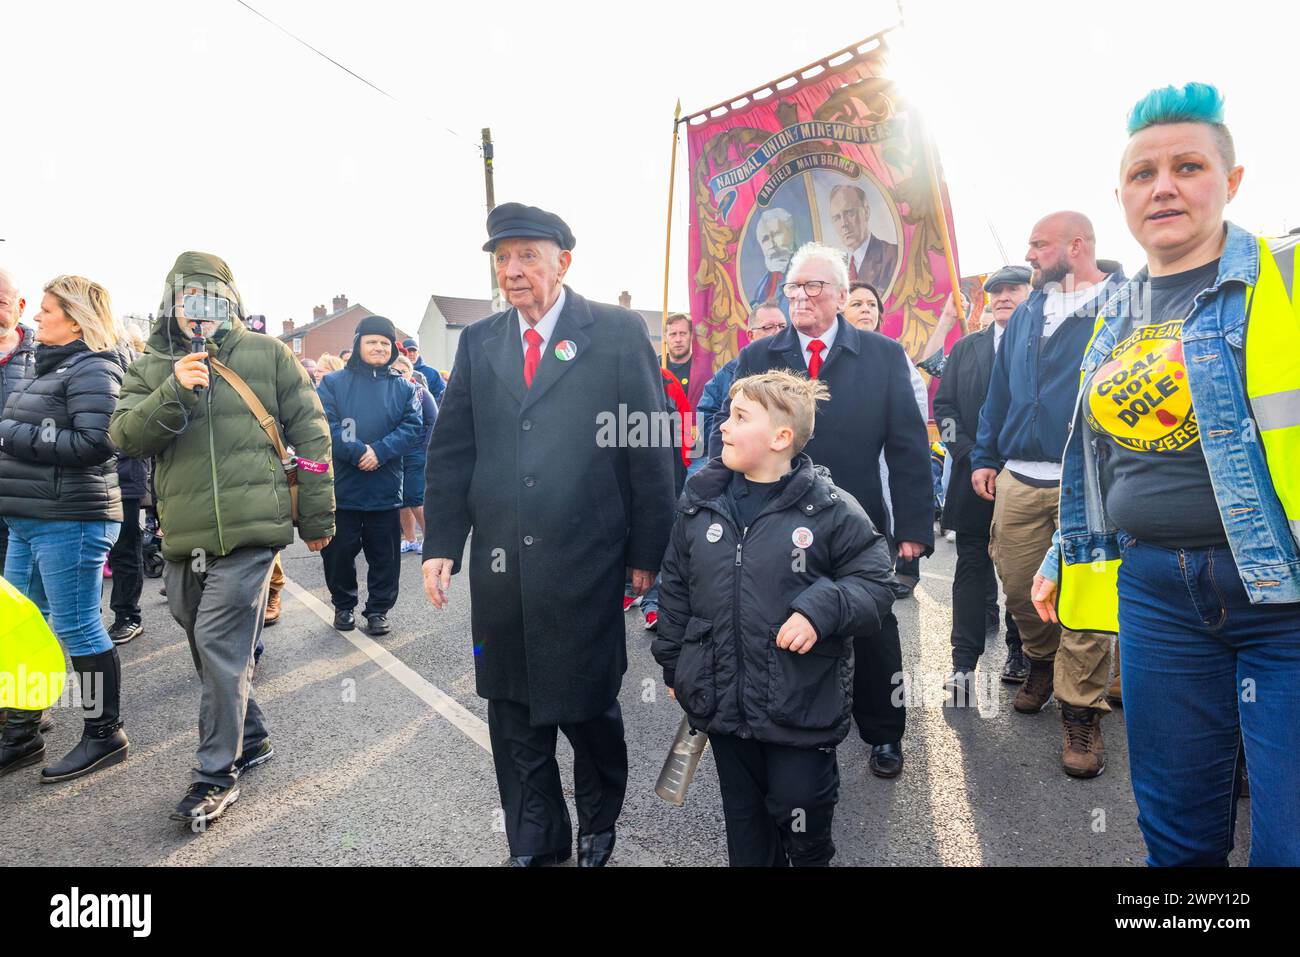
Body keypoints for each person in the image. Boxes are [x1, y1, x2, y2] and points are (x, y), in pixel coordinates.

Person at [1033, 83, 1300, 864]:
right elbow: (1105, 454)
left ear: (1234, 181)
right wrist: (1063, 549)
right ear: (1120, 195)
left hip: (1281, 596)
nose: (1164, 186)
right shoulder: (1116, 309)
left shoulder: (1285, 276)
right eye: (1143, 173)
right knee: (1177, 837)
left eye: (1188, 165)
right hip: (1157, 596)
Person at [422, 202, 675, 866]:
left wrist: (649, 552)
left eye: (527, 255)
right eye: (502, 258)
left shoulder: (617, 333)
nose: (512, 270)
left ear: (564, 261)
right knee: (511, 712)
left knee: (588, 707)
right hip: (501, 569)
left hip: (587, 559)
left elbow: (649, 448)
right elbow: (452, 450)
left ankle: (598, 819)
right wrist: (444, 543)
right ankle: (536, 841)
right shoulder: (480, 342)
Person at [110, 251, 335, 826]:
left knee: (218, 643)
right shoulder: (153, 364)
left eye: (210, 299)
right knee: (198, 635)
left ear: (230, 303)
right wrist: (174, 392)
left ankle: (215, 773)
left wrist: (316, 518)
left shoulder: (269, 355)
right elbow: (126, 437)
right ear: (173, 306)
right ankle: (252, 734)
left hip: (253, 529)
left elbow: (311, 435)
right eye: (187, 300)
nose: (198, 312)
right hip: (185, 536)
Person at [709, 242, 933, 780]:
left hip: (858, 519)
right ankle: (792, 730)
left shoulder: (880, 355)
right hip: (775, 521)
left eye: (814, 286)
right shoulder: (758, 357)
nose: (801, 297)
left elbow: (907, 443)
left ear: (840, 291)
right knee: (785, 623)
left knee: (873, 625)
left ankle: (883, 733)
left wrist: (914, 525)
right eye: (793, 287)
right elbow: (731, 431)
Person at [654, 370, 894, 866]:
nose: (722, 425)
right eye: (727, 414)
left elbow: (876, 583)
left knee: (799, 804)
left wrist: (820, 610)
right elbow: (676, 587)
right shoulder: (701, 504)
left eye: (740, 417)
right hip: (722, 700)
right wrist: (674, 663)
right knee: (745, 824)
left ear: (781, 438)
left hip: (799, 702)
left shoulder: (828, 509)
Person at [970, 213, 1127, 779]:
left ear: (1077, 246)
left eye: (1039, 245)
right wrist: (985, 455)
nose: (1030, 255)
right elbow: (1000, 390)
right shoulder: (1029, 310)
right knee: (1017, 586)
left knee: (1085, 598)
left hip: (1090, 478)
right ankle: (1039, 659)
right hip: (1018, 474)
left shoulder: (1127, 304)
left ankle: (1081, 712)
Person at [0, 275, 128, 781]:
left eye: (47, 311)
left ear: (76, 318)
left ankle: (104, 733)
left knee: (77, 626)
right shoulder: (45, 365)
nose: (36, 318)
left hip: (71, 519)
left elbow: (97, 442)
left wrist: (10, 434)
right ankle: (21, 733)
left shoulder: (95, 367)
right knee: (21, 626)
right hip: (29, 518)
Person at [933, 266, 1030, 695]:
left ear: (1032, 293)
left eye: (1014, 289)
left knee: (1020, 573)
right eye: (997, 291)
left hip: (1027, 477)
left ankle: (1021, 649)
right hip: (972, 480)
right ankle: (963, 663)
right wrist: (966, 454)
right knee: (971, 569)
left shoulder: (1042, 345)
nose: (1004, 296)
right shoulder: (966, 348)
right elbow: (945, 408)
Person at [316, 316, 423, 636]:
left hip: (385, 487)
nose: (378, 347)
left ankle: (378, 610)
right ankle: (343, 605)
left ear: (391, 349)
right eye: (371, 341)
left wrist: (379, 451)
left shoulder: (403, 387)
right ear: (358, 343)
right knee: (338, 553)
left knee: (384, 556)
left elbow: (412, 427)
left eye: (384, 343)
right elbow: (325, 425)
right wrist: (358, 451)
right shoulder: (333, 383)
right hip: (344, 487)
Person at [692, 300, 787, 474]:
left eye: (783, 326)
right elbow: (705, 418)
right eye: (769, 327)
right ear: (750, 335)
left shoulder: (797, 368)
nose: (778, 332)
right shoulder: (727, 374)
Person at [0, 268, 35, 574]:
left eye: (0, 303)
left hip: (30, 498)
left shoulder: (46, 354)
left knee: (27, 595)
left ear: (20, 306)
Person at [391, 353, 437, 553]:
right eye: (395, 371)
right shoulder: (388, 393)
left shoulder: (421, 392)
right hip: (395, 453)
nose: (399, 374)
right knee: (401, 500)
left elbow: (433, 421)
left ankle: (432, 540)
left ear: (411, 372)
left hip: (417, 453)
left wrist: (423, 448)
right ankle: (410, 539)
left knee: (416, 498)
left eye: (403, 371)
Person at [829, 185, 899, 294]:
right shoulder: (837, 269)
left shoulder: (892, 256)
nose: (844, 224)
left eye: (849, 213)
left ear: (866, 212)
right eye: (837, 218)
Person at [751, 207, 797, 315]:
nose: (771, 245)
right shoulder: (761, 288)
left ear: (791, 234)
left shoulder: (807, 273)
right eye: (765, 239)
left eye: (777, 234)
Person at [402, 338, 445, 403]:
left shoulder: (433, 373)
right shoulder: (395, 372)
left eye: (414, 351)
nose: (411, 354)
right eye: (408, 351)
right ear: (402, 353)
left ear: (418, 353)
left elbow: (442, 396)